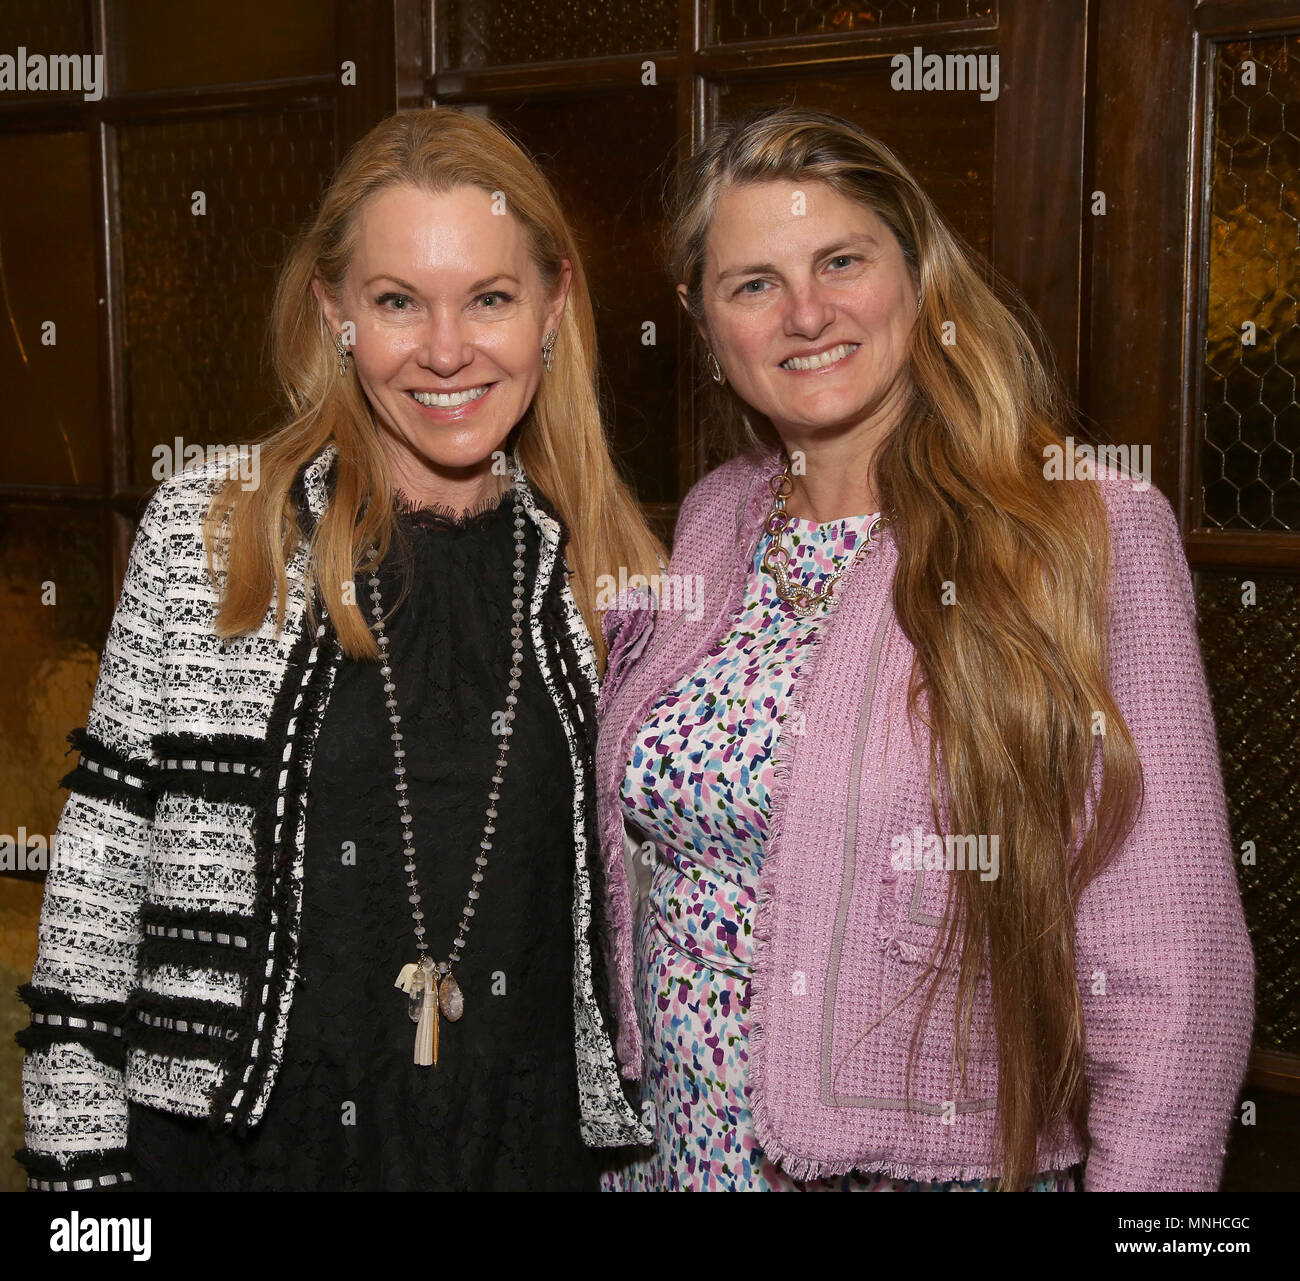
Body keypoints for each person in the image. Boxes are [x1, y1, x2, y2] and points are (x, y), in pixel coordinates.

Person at [594, 106, 1254, 1191]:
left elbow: (1172, 967)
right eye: (753, 283)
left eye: (841, 261)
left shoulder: (1078, 530)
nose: (806, 313)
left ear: (916, 277)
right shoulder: (715, 519)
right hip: (677, 1157)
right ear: (701, 323)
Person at [16, 106, 662, 1192]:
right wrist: (74, 1195)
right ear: (334, 313)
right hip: (244, 1160)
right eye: (397, 301)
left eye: (490, 298)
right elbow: (96, 879)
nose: (446, 350)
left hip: (521, 1153)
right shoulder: (213, 534)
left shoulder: (618, 581)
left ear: (552, 307)